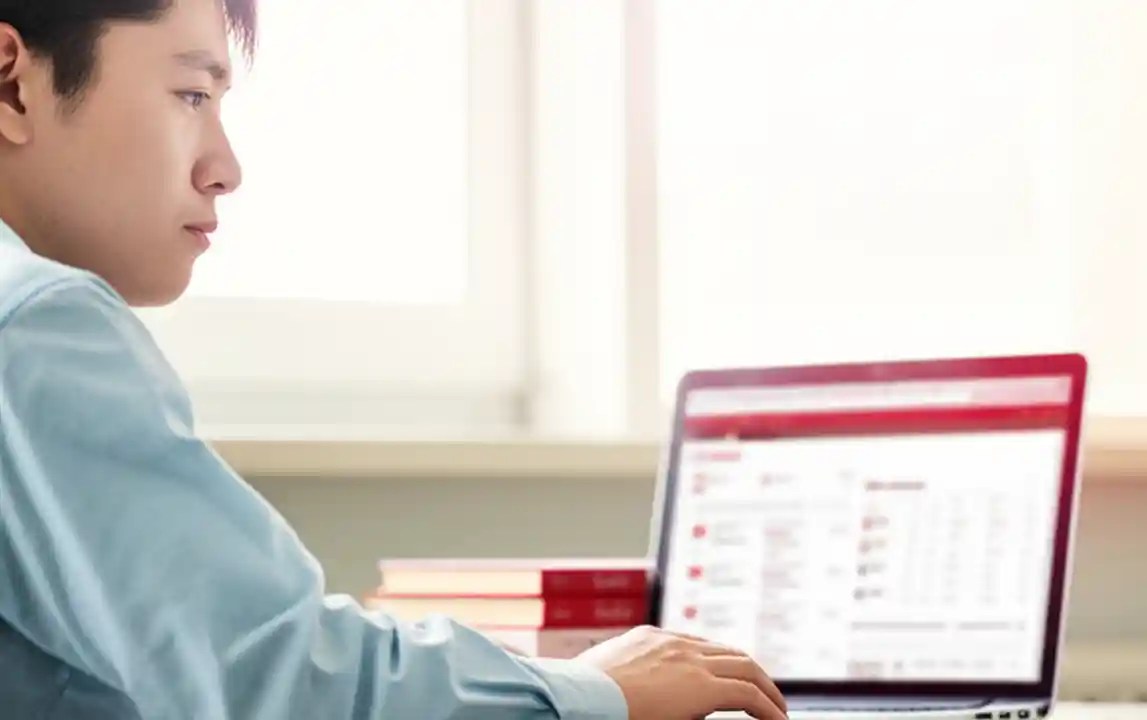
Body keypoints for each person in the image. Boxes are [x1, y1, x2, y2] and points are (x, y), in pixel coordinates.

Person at [0, 1, 788, 718]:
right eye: (192, 95)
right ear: (13, 84)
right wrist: (595, 692)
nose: (225, 167)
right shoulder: (38, 325)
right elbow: (283, 682)